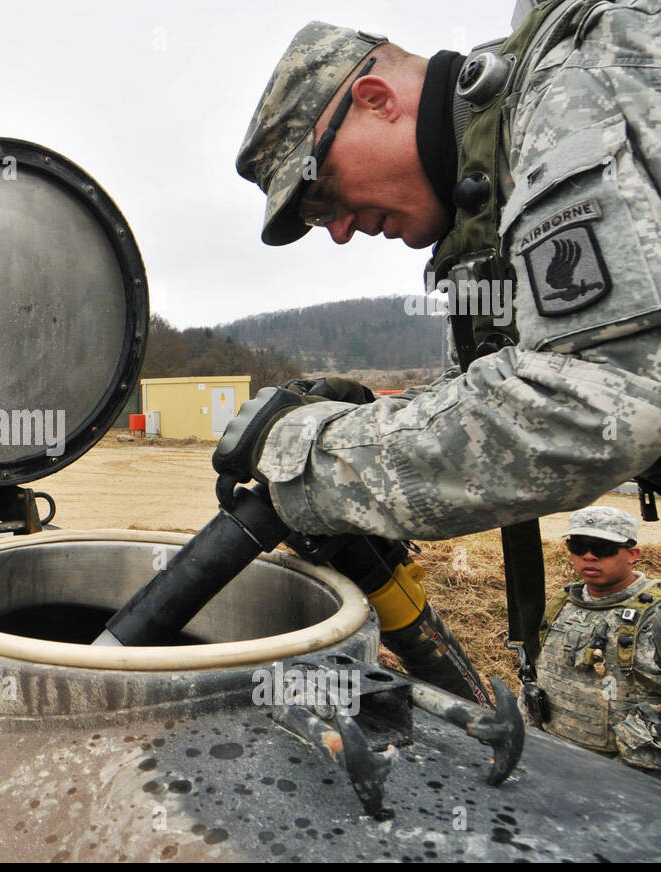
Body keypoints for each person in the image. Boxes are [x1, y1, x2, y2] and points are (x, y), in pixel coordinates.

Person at [219, 2, 661, 543]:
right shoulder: (482, 200)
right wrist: (362, 416)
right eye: (316, 218)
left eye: (322, 194)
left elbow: (600, 403)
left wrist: (308, 456)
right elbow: (500, 385)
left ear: (376, 100)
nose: (335, 231)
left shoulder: (571, 87)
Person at [528, 506, 661, 771]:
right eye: (578, 546)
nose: (589, 556)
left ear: (633, 554)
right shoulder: (561, 603)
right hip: (551, 754)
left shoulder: (654, 616)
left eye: (602, 548)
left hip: (629, 775)